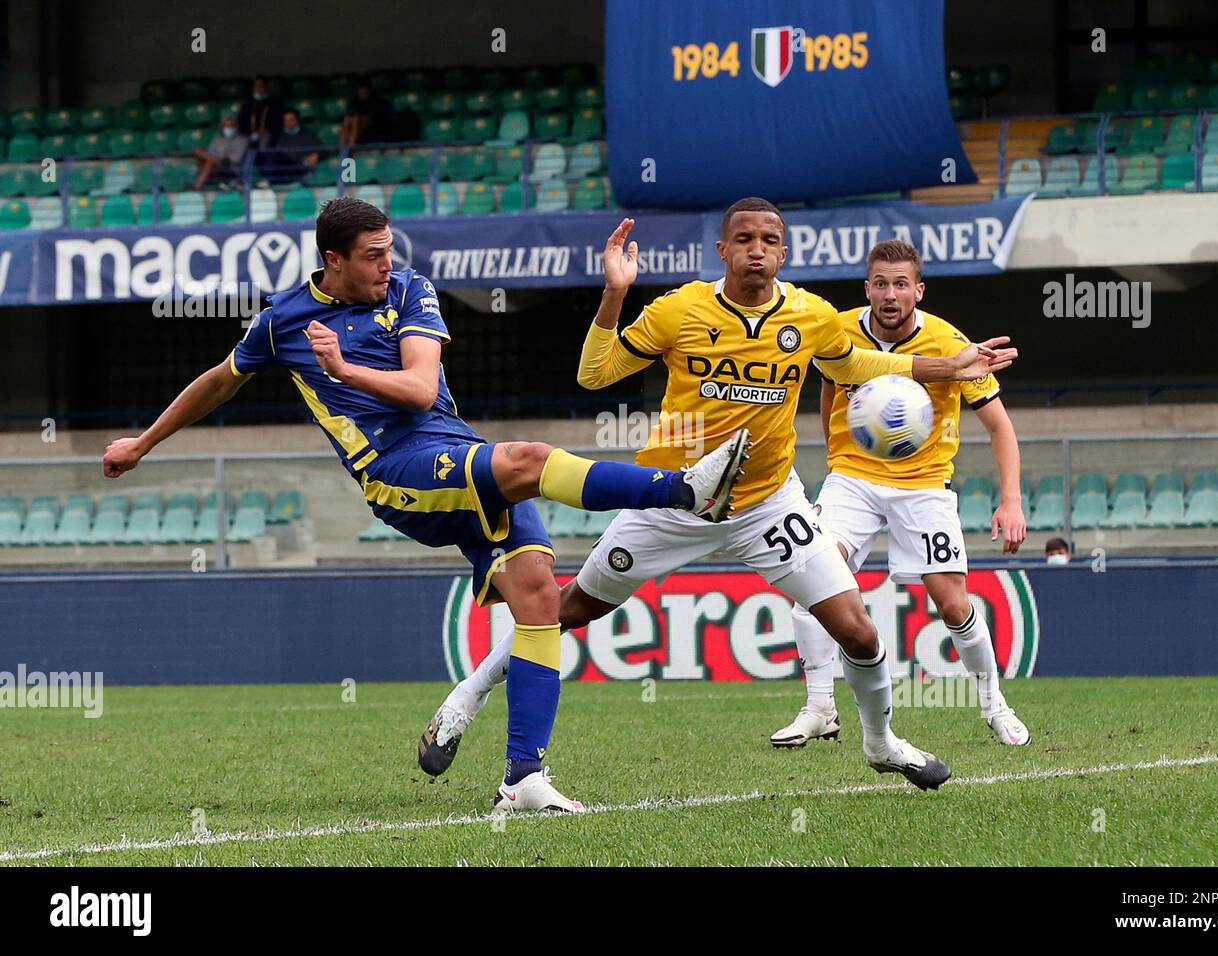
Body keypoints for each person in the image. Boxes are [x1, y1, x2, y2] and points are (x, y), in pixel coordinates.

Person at [102, 198, 750, 815]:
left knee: (539, 600)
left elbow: (418, 387)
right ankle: (685, 493)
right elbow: (222, 378)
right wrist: (145, 441)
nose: (388, 263)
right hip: (396, 473)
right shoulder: (285, 320)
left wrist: (344, 369)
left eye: (389, 250)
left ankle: (524, 777)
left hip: (455, 450)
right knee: (526, 461)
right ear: (334, 260)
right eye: (372, 255)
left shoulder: (410, 289)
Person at [423, 199, 1019, 791]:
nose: (756, 249)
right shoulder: (680, 308)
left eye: (768, 240)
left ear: (783, 252)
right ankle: (462, 702)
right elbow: (593, 374)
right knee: (565, 610)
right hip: (673, 500)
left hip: (767, 505)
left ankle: (882, 743)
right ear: (723, 250)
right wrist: (613, 294)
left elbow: (855, 366)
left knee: (858, 631)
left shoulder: (811, 317)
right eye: (744, 239)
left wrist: (947, 367)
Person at [771, 239, 1032, 751]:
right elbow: (828, 383)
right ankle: (820, 707)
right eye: (881, 284)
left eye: (901, 284)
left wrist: (1012, 500)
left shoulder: (948, 341)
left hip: (924, 485)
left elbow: (1001, 427)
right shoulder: (839, 329)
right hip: (853, 479)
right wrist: (838, 458)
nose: (890, 294)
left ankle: (994, 702)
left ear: (919, 290)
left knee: (952, 605)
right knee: (811, 579)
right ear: (867, 288)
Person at [255, 108, 324, 184]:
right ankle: (267, 180)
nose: (288, 122)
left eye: (291, 119)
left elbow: (325, 150)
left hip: (299, 168)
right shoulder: (277, 137)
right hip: (281, 169)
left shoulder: (308, 135)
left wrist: (317, 155)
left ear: (297, 120)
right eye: (286, 120)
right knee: (262, 153)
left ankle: (268, 180)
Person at [193, 115, 247, 190]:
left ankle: (196, 187)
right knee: (199, 152)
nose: (228, 128)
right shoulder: (217, 139)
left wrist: (215, 158)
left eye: (231, 125)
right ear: (222, 127)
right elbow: (210, 154)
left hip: (230, 169)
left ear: (236, 127)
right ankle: (197, 185)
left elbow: (235, 159)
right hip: (216, 167)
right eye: (226, 125)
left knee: (209, 162)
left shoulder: (242, 140)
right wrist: (214, 158)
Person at [339, 78, 392, 146]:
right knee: (348, 120)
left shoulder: (377, 101)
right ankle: (342, 148)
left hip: (373, 128)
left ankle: (351, 146)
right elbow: (349, 114)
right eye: (360, 89)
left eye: (364, 89)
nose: (362, 91)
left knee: (356, 120)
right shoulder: (354, 100)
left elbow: (376, 119)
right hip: (354, 127)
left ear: (369, 90)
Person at [237, 75, 283, 148]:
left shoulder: (274, 103)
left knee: (265, 142)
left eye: (262, 85)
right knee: (241, 142)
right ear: (253, 87)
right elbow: (242, 120)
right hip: (248, 133)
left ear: (266, 87)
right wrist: (250, 133)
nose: (259, 88)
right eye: (257, 85)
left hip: (267, 133)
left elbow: (277, 120)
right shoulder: (247, 102)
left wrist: (266, 130)